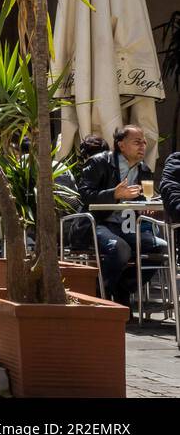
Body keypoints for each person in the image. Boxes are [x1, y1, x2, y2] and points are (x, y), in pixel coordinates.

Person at [75, 125, 167, 305]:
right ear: (121, 145)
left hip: (128, 226)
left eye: (144, 142)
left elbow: (144, 197)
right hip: (97, 224)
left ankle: (123, 288)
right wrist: (114, 194)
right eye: (137, 142)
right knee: (120, 249)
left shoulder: (143, 169)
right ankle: (101, 292)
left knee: (160, 248)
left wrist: (147, 205)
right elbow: (84, 195)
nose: (143, 146)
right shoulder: (99, 162)